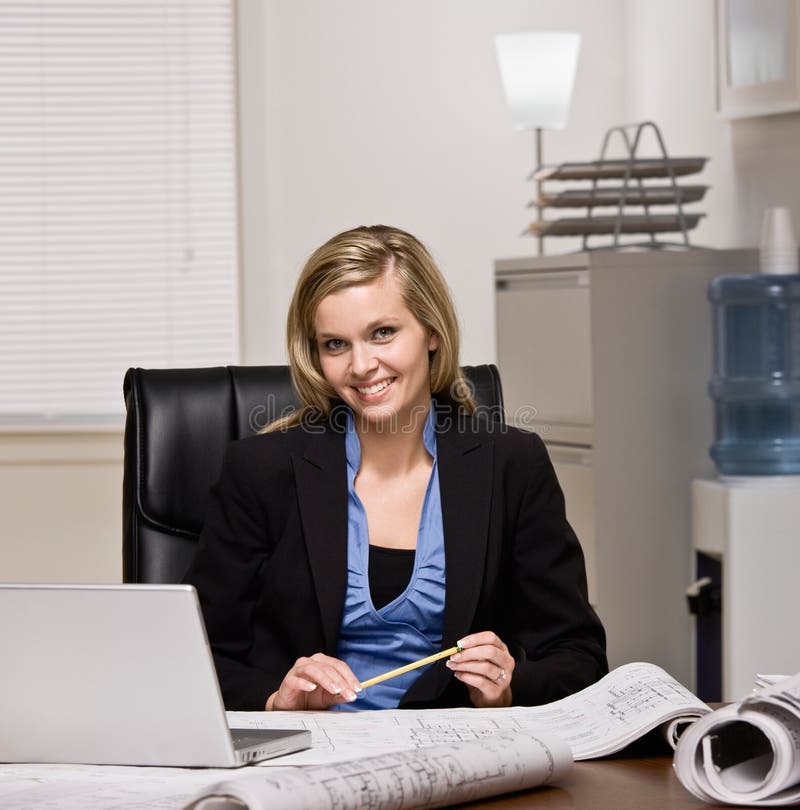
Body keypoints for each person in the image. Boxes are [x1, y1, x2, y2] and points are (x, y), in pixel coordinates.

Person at [184, 224, 607, 712]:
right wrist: (276, 699)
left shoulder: (511, 465)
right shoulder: (260, 471)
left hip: (454, 763)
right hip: (307, 759)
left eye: (382, 333)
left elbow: (579, 656)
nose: (362, 365)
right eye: (335, 345)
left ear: (431, 331)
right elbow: (199, 660)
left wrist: (509, 687)